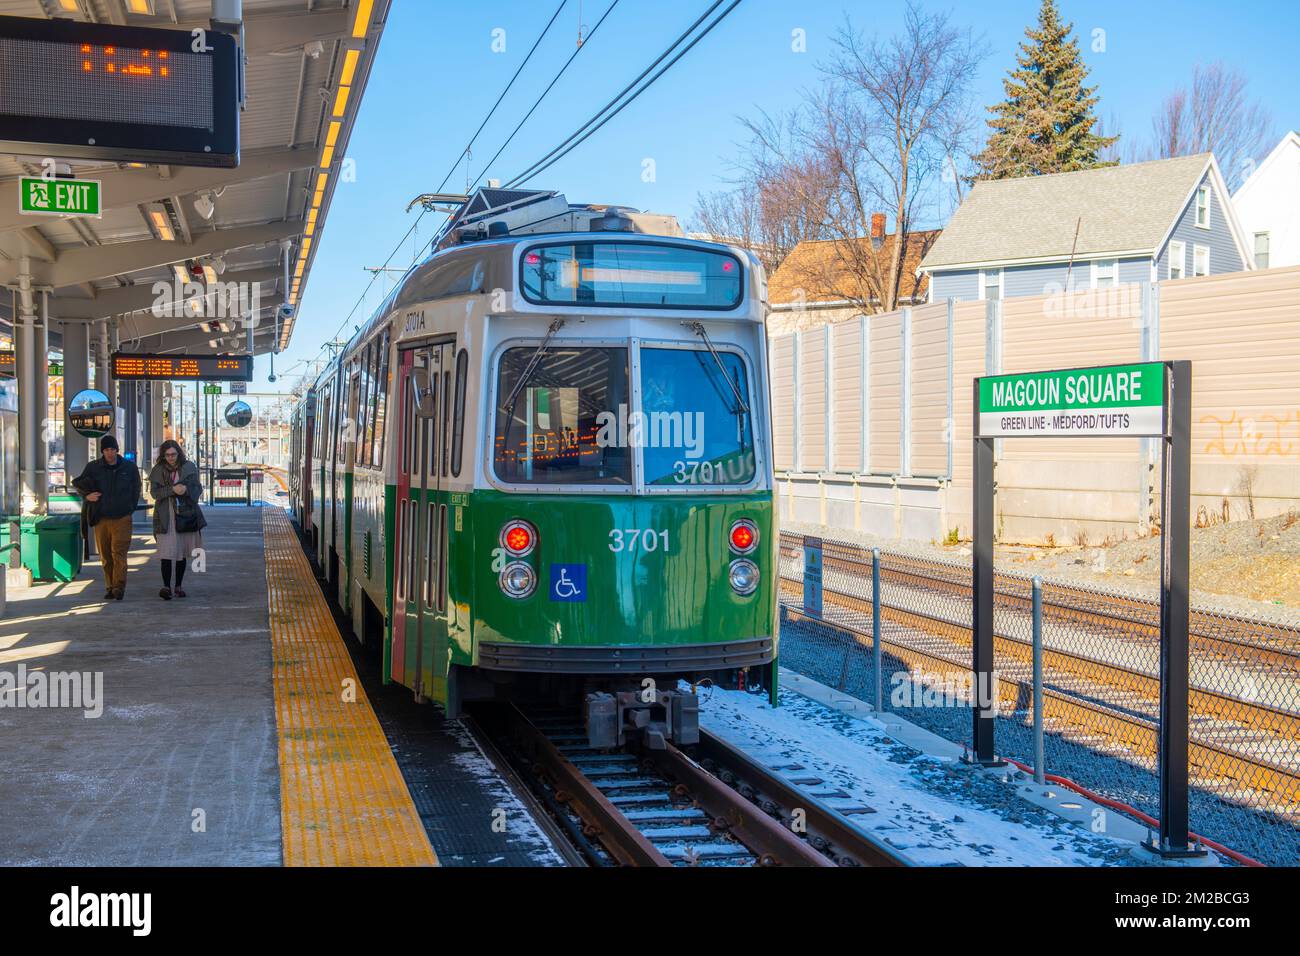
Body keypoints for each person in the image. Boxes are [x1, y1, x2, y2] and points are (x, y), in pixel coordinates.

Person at [72, 434, 141, 601]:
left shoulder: (129, 468)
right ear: (102, 451)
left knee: (119, 553)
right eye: (106, 450)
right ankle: (109, 587)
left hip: (123, 518)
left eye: (112, 449)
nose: (110, 453)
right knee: (106, 556)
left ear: (117, 450)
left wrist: (129, 508)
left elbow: (136, 488)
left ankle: (119, 587)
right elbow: (79, 483)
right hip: (101, 518)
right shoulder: (93, 467)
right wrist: (87, 496)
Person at [148, 440, 206, 600]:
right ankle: (166, 586)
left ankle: (178, 586)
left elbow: (197, 488)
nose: (171, 458)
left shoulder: (188, 467)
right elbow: (154, 493)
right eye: (167, 455)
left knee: (181, 552)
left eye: (173, 454)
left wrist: (186, 489)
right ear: (163, 455)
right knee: (166, 552)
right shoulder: (158, 470)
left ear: (178, 453)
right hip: (165, 516)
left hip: (185, 515)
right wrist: (172, 489)